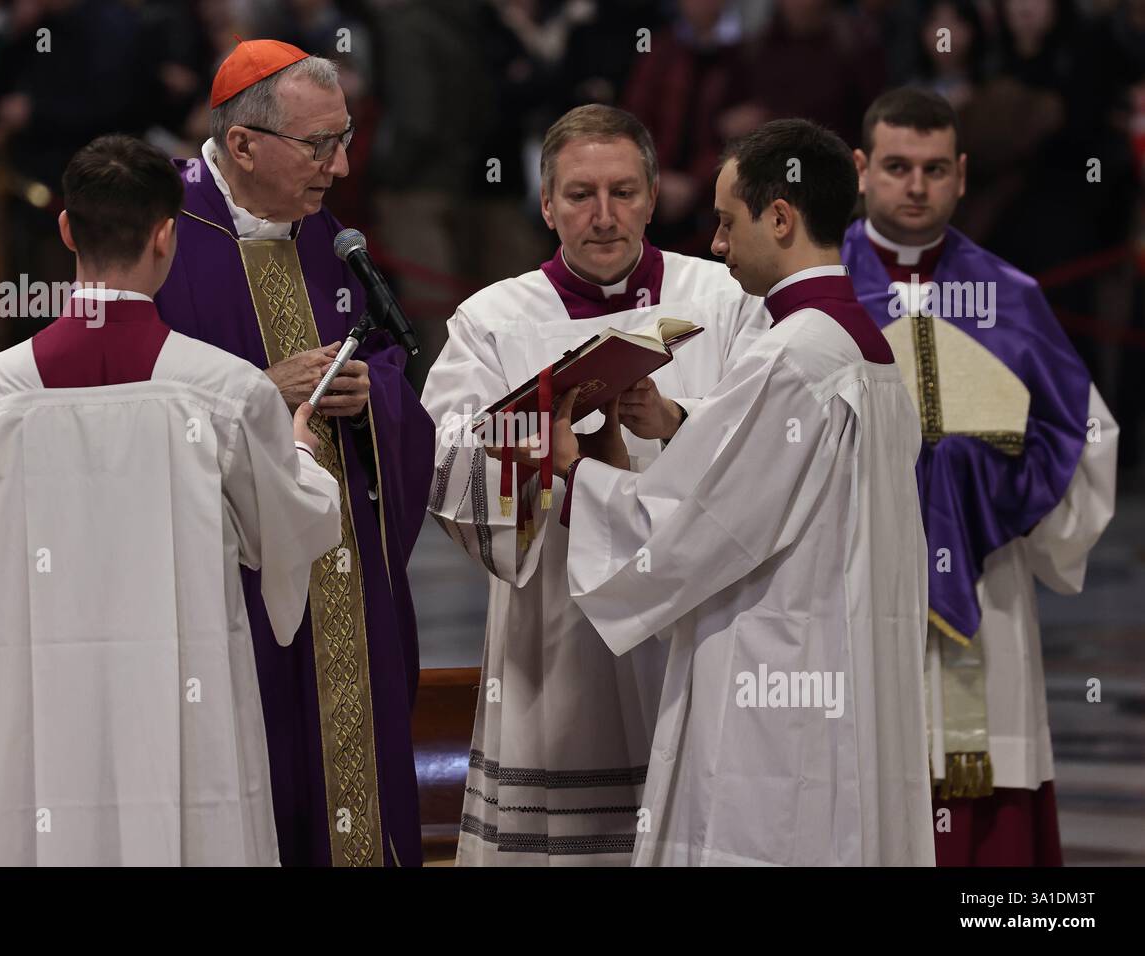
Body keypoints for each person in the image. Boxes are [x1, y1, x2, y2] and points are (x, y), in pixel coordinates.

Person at [0, 134, 342, 866]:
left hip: (41, 706)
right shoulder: (225, 389)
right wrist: (303, 450)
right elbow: (288, 528)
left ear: (66, 230)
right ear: (167, 236)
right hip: (186, 719)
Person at [559, 118, 935, 866]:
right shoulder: (870, 348)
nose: (719, 245)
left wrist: (577, 469)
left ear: (781, 217)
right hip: (850, 665)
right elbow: (767, 478)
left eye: (728, 223)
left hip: (778, 675)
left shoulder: (792, 355)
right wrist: (676, 423)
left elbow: (697, 529)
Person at [421, 104, 768, 865]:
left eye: (623, 192)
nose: (604, 216)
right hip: (555, 627)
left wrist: (674, 417)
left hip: (688, 620)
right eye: (580, 194)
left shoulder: (725, 300)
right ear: (545, 204)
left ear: (652, 197)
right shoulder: (492, 320)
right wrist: (529, 451)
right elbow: (443, 458)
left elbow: (769, 445)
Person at [153, 40, 435, 867]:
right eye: (319, 146)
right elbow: (120, 405)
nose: (340, 167)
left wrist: (369, 396)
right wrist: (254, 391)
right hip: (226, 580)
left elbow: (384, 357)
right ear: (243, 145)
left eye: (344, 138)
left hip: (339, 569)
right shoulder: (161, 229)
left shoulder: (325, 237)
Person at [843, 87, 1118, 866]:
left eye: (934, 169)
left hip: (989, 591)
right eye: (897, 166)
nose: (916, 186)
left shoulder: (1010, 298)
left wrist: (1000, 496)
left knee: (986, 797)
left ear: (962, 175)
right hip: (860, 587)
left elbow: (1086, 432)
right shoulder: (823, 296)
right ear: (862, 170)